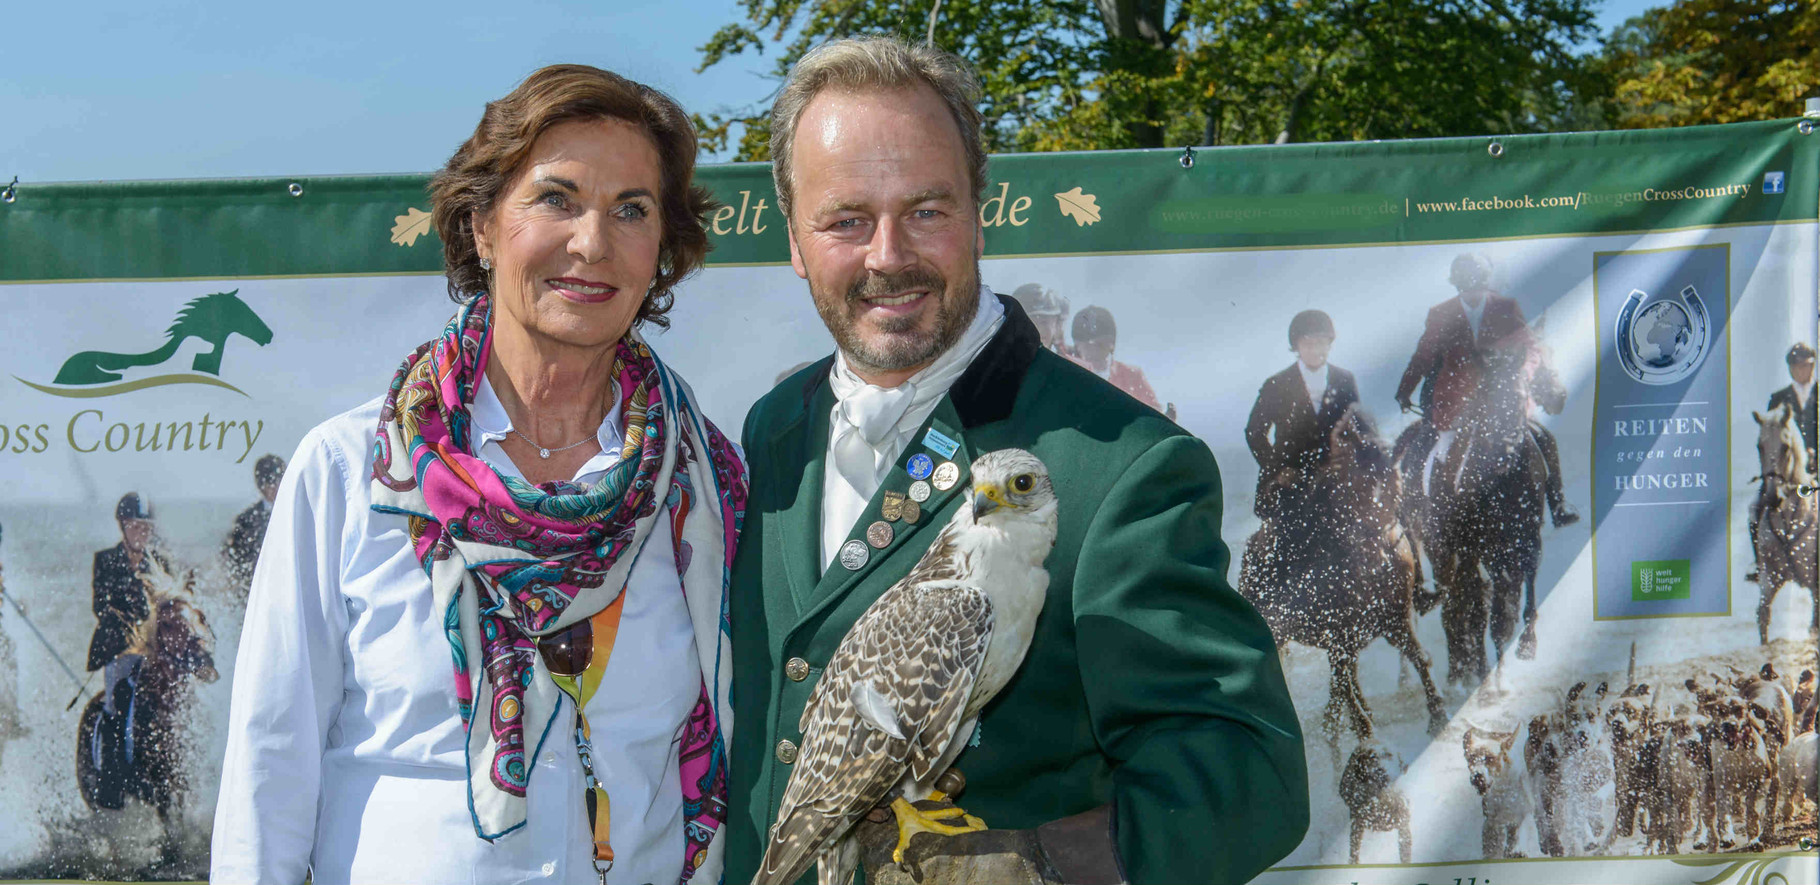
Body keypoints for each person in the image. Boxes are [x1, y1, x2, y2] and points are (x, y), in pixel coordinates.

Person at [725, 37, 1307, 885]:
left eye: (927, 210)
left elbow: (1248, 771)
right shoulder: (774, 427)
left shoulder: (1123, 464)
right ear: (794, 239)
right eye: (846, 220)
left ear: (981, 211)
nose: (888, 254)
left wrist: (1038, 865)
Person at [211, 65, 748, 885]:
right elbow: (270, 768)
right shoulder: (349, 470)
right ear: (483, 226)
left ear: (662, 251)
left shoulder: (705, 487)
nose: (592, 242)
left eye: (631, 209)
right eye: (556, 199)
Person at [1394, 253, 1577, 526]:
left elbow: (1530, 347)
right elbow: (1424, 356)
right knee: (1428, 446)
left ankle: (1558, 503)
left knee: (1543, 438)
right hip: (1457, 400)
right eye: (1466, 286)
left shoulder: (1506, 307)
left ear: (1485, 282)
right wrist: (1405, 389)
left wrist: (1522, 373)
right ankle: (1420, 506)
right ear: (1457, 285)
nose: (1472, 292)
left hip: (1501, 397)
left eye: (1477, 284)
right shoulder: (1441, 313)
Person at [1244, 309, 1360, 524]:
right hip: (1290, 480)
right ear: (1296, 346)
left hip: (1335, 479)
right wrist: (1278, 471)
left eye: (1321, 343)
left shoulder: (1345, 379)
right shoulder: (1276, 384)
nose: (1315, 350)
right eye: (1308, 344)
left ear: (1330, 344)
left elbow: (1358, 428)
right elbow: (1254, 432)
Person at [88, 492, 168, 718]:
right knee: (116, 704)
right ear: (122, 527)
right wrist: (133, 628)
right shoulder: (106, 560)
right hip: (121, 647)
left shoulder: (161, 563)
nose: (141, 533)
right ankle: (109, 731)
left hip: (155, 648)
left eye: (146, 528)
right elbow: (101, 606)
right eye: (135, 527)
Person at [1070, 304, 1165, 412]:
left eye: (1098, 344)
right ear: (1077, 345)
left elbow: (1155, 414)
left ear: (1111, 343)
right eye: (1086, 344)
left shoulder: (1133, 375)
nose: (1093, 350)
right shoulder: (1069, 374)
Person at [221, 453, 285, 596]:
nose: (276, 487)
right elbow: (235, 559)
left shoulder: (298, 511)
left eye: (280, 480)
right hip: (257, 589)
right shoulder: (245, 520)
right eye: (271, 482)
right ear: (261, 485)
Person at [1768, 342, 1817, 465]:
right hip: (1790, 468)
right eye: (1796, 367)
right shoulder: (1778, 399)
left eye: (1804, 366)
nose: (1800, 371)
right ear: (1790, 368)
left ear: (1812, 365)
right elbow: (1772, 440)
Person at [1009, 282, 1073, 357]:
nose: (1039, 330)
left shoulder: (1067, 360)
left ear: (1055, 324)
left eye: (1044, 322)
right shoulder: (1003, 358)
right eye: (1031, 323)